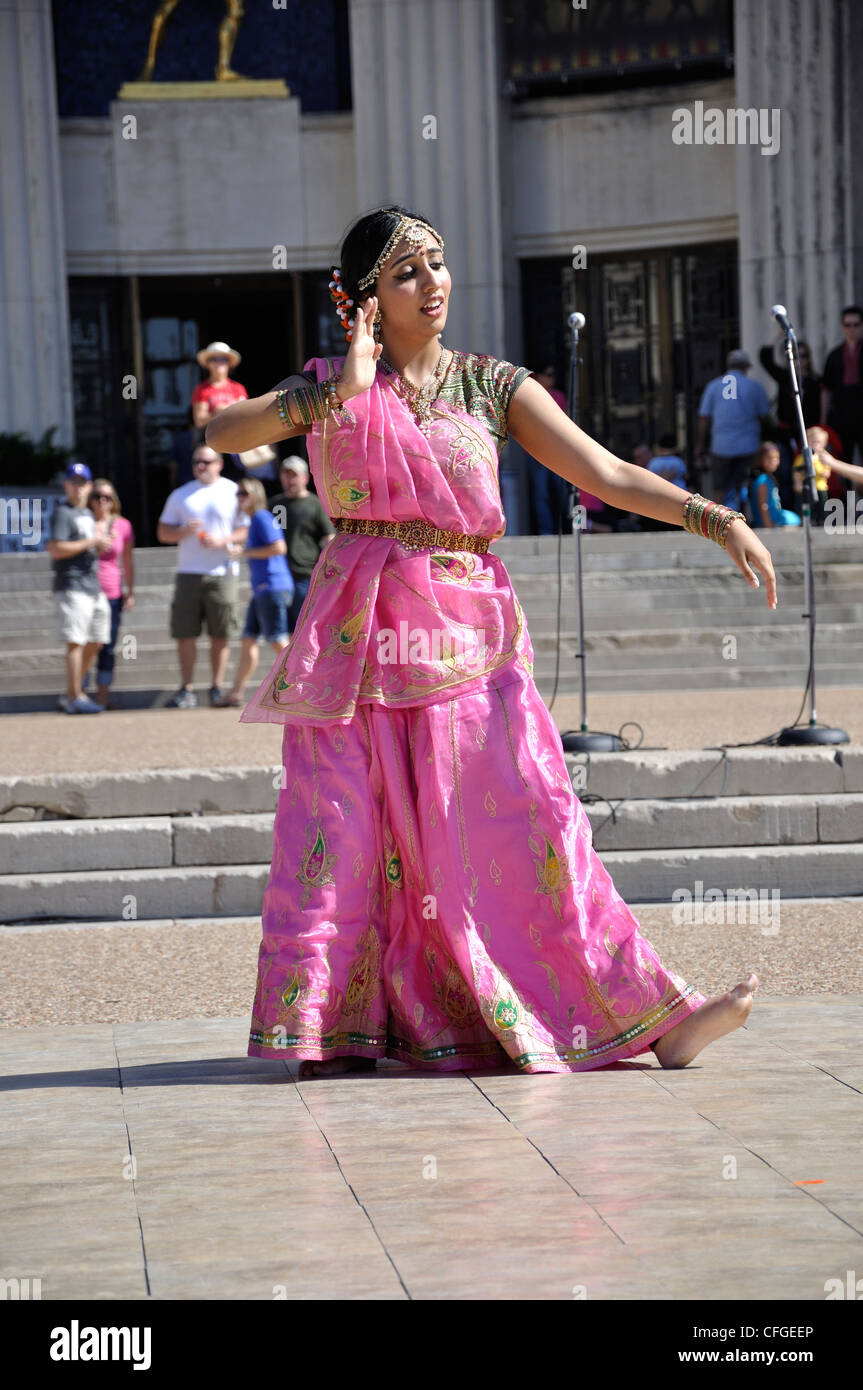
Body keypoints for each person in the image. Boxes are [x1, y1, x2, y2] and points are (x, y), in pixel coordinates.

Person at [207, 205, 775, 1080]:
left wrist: (718, 516)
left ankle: (651, 1021)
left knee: (532, 826)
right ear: (364, 298)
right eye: (406, 272)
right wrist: (343, 389)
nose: (432, 282)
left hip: (467, 637)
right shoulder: (329, 382)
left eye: (436, 262)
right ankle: (344, 1025)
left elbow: (607, 474)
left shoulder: (492, 386)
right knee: (349, 834)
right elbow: (221, 433)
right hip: (359, 648)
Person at [156, 444, 249, 708]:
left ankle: (217, 687)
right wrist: (184, 531)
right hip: (189, 571)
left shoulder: (233, 491)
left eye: (207, 462)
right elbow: (163, 533)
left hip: (222, 572)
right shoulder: (181, 495)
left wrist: (224, 540)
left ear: (219, 464)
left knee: (220, 633)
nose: (201, 466)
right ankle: (186, 688)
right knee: (186, 633)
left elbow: (245, 529)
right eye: (197, 461)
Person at [212, 477, 294, 708]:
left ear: (255, 494)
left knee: (278, 639)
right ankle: (236, 693)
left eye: (244, 493)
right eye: (238, 493)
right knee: (249, 639)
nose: (240, 497)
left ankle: (305, 683)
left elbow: (279, 548)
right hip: (263, 588)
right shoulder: (256, 519)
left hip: (271, 586)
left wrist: (244, 553)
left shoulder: (261, 517)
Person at [46, 462, 112, 714]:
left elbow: (88, 544)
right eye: (73, 483)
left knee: (95, 640)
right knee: (75, 641)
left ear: (88, 486)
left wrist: (98, 543)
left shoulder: (86, 514)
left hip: (93, 585)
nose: (78, 488)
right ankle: (75, 695)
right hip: (72, 584)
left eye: (82, 483)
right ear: (66, 485)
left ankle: (71, 692)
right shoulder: (63, 512)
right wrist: (91, 541)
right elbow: (55, 548)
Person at [696, 349, 770, 510]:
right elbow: (765, 416)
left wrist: (700, 444)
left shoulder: (713, 386)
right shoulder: (755, 387)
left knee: (719, 488)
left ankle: (718, 521)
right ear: (746, 367)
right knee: (744, 484)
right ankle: (745, 518)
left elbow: (703, 418)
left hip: (721, 446)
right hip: (748, 445)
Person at [268, 457, 336, 634]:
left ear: (305, 477)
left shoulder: (315, 504)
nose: (290, 480)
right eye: (286, 475)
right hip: (278, 576)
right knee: (281, 631)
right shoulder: (275, 504)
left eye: (294, 475)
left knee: (303, 628)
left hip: (305, 575)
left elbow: (328, 537)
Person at [85, 480, 136, 708]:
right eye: (97, 496)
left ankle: (102, 696)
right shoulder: (82, 522)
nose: (101, 502)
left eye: (106, 497)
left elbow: (128, 560)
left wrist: (130, 590)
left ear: (113, 499)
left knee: (107, 645)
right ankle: (79, 692)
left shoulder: (123, 525)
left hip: (111, 590)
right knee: (84, 643)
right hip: (84, 590)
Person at [759, 332, 820, 508]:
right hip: (786, 433)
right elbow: (765, 359)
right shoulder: (785, 377)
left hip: (808, 433)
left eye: (804, 356)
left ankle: (810, 510)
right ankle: (787, 510)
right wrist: (778, 335)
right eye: (796, 356)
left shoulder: (814, 381)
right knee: (784, 471)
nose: (800, 360)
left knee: (809, 472)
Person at [526, 364, 569, 535]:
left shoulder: (558, 396)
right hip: (536, 450)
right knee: (541, 493)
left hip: (557, 451)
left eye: (553, 375)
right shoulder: (530, 394)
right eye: (548, 375)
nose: (551, 378)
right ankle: (546, 531)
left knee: (562, 492)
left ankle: (564, 527)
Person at [821, 305, 863, 468]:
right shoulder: (834, 355)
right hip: (842, 416)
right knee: (843, 461)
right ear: (842, 327)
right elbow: (826, 389)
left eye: (856, 324)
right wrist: (824, 421)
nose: (852, 329)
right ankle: (849, 495)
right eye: (848, 325)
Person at [745, 443, 801, 529]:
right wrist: (770, 528)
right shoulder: (763, 481)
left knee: (795, 519)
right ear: (760, 459)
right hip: (768, 522)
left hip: (775, 518)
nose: (773, 461)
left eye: (776, 458)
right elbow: (763, 506)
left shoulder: (768, 478)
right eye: (769, 458)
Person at [792, 426, 833, 525]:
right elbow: (796, 471)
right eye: (812, 442)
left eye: (818, 442)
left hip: (820, 487)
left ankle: (823, 523)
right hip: (806, 488)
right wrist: (797, 483)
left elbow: (826, 473)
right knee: (807, 508)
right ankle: (807, 523)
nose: (815, 445)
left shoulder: (824, 458)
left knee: (822, 508)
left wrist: (815, 465)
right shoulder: (801, 458)